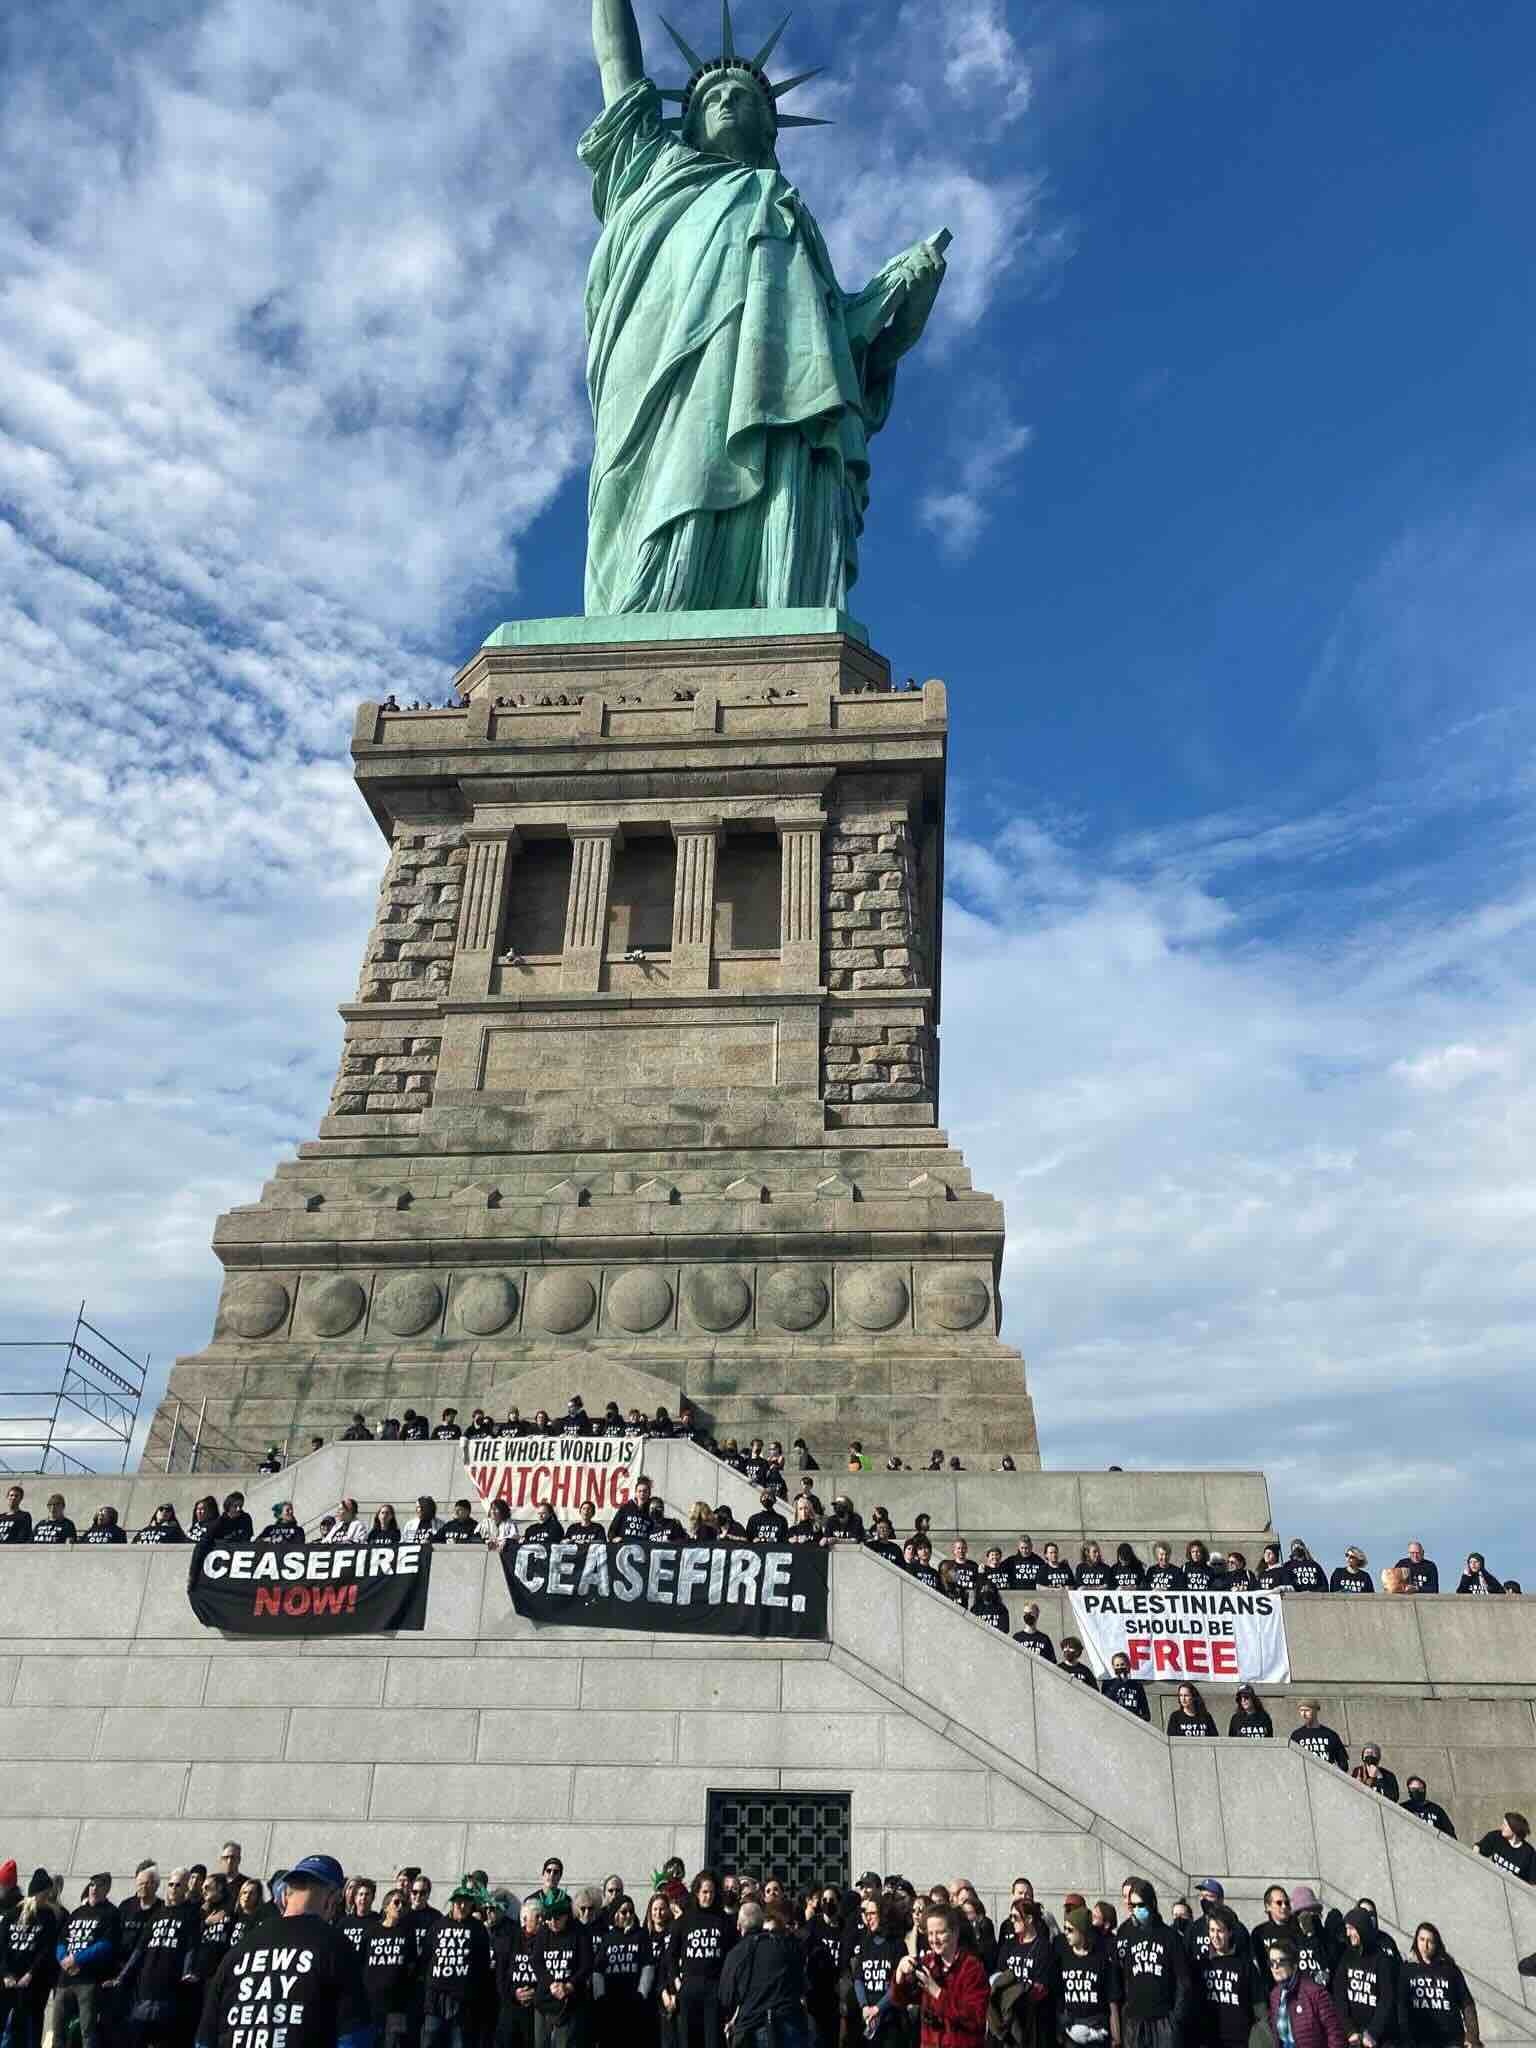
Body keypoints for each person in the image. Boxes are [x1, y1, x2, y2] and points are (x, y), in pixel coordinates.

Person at [197, 1852, 369, 2048]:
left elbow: (205, 2038)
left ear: (285, 1896)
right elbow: (354, 2035)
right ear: (332, 1899)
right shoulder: (336, 1946)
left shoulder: (240, 1949)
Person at [892, 1900, 989, 2048]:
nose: (934, 1939)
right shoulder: (927, 1963)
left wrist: (937, 1992)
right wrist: (900, 1975)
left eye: (940, 1933)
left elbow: (975, 2018)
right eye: (930, 1933)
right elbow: (900, 1999)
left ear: (955, 1932)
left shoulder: (972, 1968)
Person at [718, 1902, 807, 2048]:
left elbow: (726, 1997)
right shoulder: (786, 1946)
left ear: (739, 1926)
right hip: (790, 2023)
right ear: (761, 1923)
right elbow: (801, 1983)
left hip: (754, 2027)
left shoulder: (736, 1954)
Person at [1119, 1881, 1190, 2048]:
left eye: (1141, 1905)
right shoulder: (1128, 1934)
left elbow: (1183, 1981)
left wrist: (1176, 2018)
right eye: (1133, 1905)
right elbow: (1125, 1976)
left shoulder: (1170, 1936)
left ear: (1152, 1903)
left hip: (1163, 2022)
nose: (1137, 1909)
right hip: (1135, 2023)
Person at [422, 1885, 493, 2048]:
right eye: (459, 1902)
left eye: (466, 1903)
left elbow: (483, 1964)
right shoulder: (437, 1925)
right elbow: (426, 1958)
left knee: (459, 2043)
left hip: (463, 2001)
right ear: (452, 1903)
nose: (462, 1906)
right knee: (430, 2041)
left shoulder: (478, 1929)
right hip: (435, 1998)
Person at [53, 1872, 119, 2048]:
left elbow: (106, 1945)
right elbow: (61, 1941)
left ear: (107, 1889)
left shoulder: (111, 1913)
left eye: (99, 1885)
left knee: (87, 2031)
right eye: (92, 1885)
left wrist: (77, 1959)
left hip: (88, 1981)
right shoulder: (77, 1912)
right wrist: (64, 1960)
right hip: (64, 1980)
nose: (94, 1889)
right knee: (58, 2030)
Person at [0, 1868, 61, 2048]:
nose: (47, 1897)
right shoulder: (12, 1915)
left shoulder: (48, 1916)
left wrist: (30, 1973)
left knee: (31, 2027)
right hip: (9, 1981)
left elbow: (46, 1949)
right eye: (45, 1893)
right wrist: (6, 1974)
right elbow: (2, 1947)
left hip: (34, 1984)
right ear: (37, 1892)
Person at [1397, 1925, 1477, 2048]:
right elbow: (1401, 2006)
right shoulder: (1406, 1970)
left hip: (1452, 2040)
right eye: (1422, 1939)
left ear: (1436, 1944)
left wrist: (1472, 2036)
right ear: (1416, 1941)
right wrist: (1406, 2038)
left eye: (1430, 1941)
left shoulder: (1450, 1969)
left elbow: (1467, 2004)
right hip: (1420, 2041)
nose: (1425, 1945)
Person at [533, 1889, 593, 2047]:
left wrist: (569, 1986)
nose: (552, 1922)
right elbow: (537, 1962)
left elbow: (586, 1964)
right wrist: (551, 1983)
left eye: (557, 1918)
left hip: (570, 2002)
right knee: (540, 2043)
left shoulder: (580, 1932)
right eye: (548, 1918)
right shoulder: (544, 1931)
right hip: (545, 1999)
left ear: (566, 1915)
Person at [363, 1887, 419, 2048]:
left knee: (393, 2043)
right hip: (371, 2001)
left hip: (397, 2004)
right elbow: (361, 1962)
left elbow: (412, 1964)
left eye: (404, 1904)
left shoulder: (407, 1932)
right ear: (386, 1906)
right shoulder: (371, 1931)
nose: (400, 1906)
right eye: (396, 1902)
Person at [1331, 1909, 1396, 2048]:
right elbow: (1339, 1994)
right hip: (1353, 2036)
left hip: (1376, 2038)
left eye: (1351, 1928)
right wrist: (1349, 2030)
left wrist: (1373, 2032)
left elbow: (1387, 1999)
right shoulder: (1347, 1956)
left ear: (1362, 1928)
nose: (1348, 1933)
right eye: (1347, 1929)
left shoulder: (1381, 1959)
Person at [1266, 1941, 1345, 2048]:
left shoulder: (1315, 1993)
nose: (1275, 1967)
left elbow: (1335, 2034)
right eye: (1271, 1963)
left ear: (1294, 1964)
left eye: (1280, 1962)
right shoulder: (1275, 1995)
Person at [848, 1895, 904, 2044]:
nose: (868, 1918)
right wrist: (864, 2006)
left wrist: (878, 2008)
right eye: (866, 1914)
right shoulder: (866, 1943)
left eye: (872, 1913)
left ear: (883, 1914)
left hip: (889, 2018)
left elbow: (898, 1983)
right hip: (867, 2018)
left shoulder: (897, 1944)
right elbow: (858, 1978)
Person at [1193, 1908, 1253, 2048]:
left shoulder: (1245, 1965)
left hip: (1239, 2040)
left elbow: (1258, 2005)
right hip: (1208, 2039)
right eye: (1212, 1930)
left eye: (1220, 1931)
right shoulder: (1201, 1964)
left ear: (1230, 1932)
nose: (1215, 1936)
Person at [1474, 1811, 1536, 1883]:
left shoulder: (1529, 1853)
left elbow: (1532, 1882)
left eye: (1505, 1825)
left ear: (1514, 1829)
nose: (1501, 1827)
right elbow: (1478, 1848)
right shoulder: (1496, 1836)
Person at [1289, 1700, 1349, 1770]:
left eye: (1307, 1710)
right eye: (1301, 1711)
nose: (1304, 1714)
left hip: (1326, 1774)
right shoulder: (1296, 1735)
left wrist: (1335, 1770)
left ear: (1315, 1711)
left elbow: (1343, 1763)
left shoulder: (1330, 1735)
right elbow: (1291, 1761)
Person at [1101, 1652, 1150, 1721]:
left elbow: (1146, 1714)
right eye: (1117, 1665)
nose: (1120, 1667)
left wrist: (1136, 1719)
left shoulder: (1137, 1685)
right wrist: (1118, 1682)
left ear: (1128, 1666)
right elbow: (1104, 1703)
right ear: (1113, 1667)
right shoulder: (1108, 1684)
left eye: (1122, 1664)